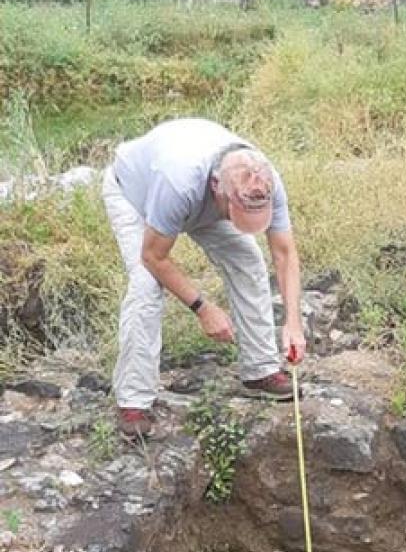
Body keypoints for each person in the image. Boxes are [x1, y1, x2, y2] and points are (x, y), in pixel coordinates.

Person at [102, 117, 306, 438]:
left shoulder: (263, 181)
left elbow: (284, 253)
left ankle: (260, 370)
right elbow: (154, 256)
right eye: (234, 215)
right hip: (135, 194)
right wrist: (202, 308)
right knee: (146, 284)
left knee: (248, 257)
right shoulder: (178, 182)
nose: (238, 222)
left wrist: (293, 323)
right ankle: (134, 400)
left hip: (200, 199)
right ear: (217, 190)